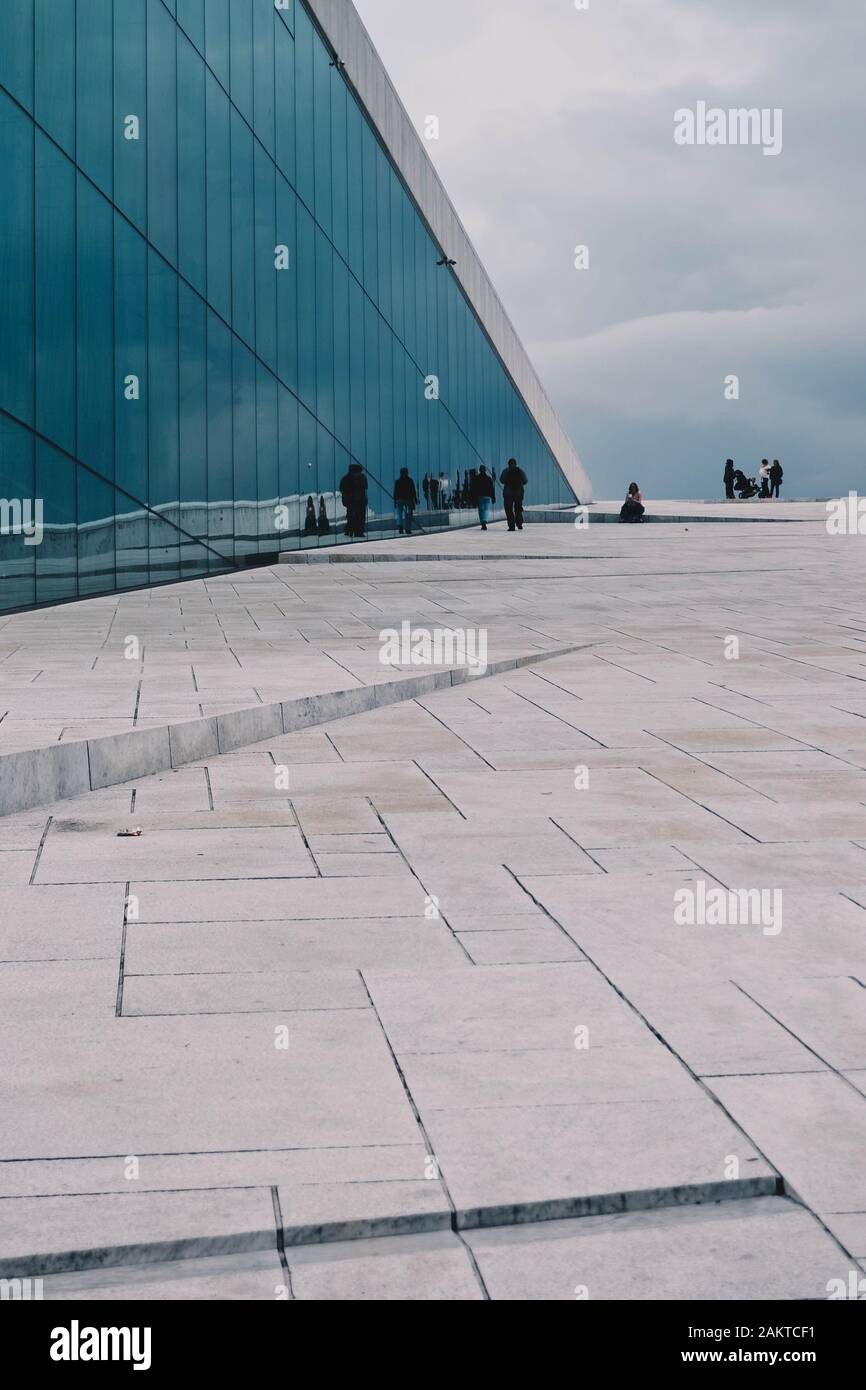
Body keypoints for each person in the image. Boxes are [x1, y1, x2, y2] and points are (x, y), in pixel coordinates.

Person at [340, 463, 368, 538]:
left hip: (350, 501)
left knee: (351, 516)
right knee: (360, 517)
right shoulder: (362, 477)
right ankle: (358, 532)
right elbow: (364, 489)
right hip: (360, 500)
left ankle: (349, 530)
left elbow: (342, 490)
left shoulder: (345, 478)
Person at [500, 458, 528, 532]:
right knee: (518, 509)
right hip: (519, 494)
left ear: (508, 464)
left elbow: (501, 480)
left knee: (509, 510)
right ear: (516, 464)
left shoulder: (506, 471)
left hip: (508, 494)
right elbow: (525, 481)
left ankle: (512, 526)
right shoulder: (520, 471)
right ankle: (519, 524)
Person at [394, 467, 418, 535]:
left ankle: (400, 528)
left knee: (399, 514)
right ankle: (408, 529)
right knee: (408, 515)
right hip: (408, 500)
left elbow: (395, 492)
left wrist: (395, 501)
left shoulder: (398, 481)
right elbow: (413, 491)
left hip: (399, 500)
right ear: (407, 473)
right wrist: (415, 499)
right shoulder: (410, 481)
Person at [471, 465, 496, 531]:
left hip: (480, 496)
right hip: (487, 496)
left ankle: (483, 522)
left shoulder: (476, 478)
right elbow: (491, 489)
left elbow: (473, 489)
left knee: (481, 510)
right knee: (486, 509)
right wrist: (493, 497)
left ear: (479, 470)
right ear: (485, 470)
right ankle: (484, 521)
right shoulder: (488, 478)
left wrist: (473, 497)